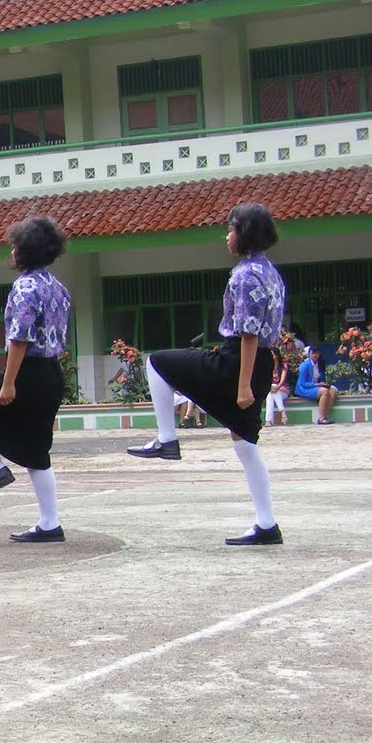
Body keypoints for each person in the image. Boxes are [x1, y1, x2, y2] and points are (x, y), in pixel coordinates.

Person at [127, 202, 288, 545]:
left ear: (243, 233)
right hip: (260, 363)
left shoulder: (245, 274)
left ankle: (167, 439)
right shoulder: (271, 272)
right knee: (245, 444)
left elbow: (248, 333)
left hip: (238, 362)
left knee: (157, 362)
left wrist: (242, 385)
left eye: (231, 228)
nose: (226, 235)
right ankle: (267, 524)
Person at [0, 216, 73, 543]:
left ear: (25, 250)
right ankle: (50, 523)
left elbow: (19, 337)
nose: (12, 249)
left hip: (27, 372)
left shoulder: (26, 286)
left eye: (16, 244)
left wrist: (8, 382)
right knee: (37, 450)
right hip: (51, 373)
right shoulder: (58, 287)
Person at [293, 344, 337, 425]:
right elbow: (303, 384)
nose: (315, 355)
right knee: (324, 391)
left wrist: (324, 384)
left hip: (316, 387)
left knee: (333, 391)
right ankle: (321, 418)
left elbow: (321, 379)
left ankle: (325, 414)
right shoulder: (304, 366)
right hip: (305, 389)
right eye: (313, 353)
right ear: (309, 354)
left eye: (317, 353)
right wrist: (317, 385)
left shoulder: (320, 364)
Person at [264, 349, 289, 427]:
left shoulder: (283, 366)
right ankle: (281, 414)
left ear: (277, 355)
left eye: (273, 354)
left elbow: (282, 380)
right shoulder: (268, 366)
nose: (271, 356)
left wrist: (277, 387)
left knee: (274, 390)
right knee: (270, 395)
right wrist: (270, 387)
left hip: (283, 390)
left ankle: (269, 420)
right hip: (271, 390)